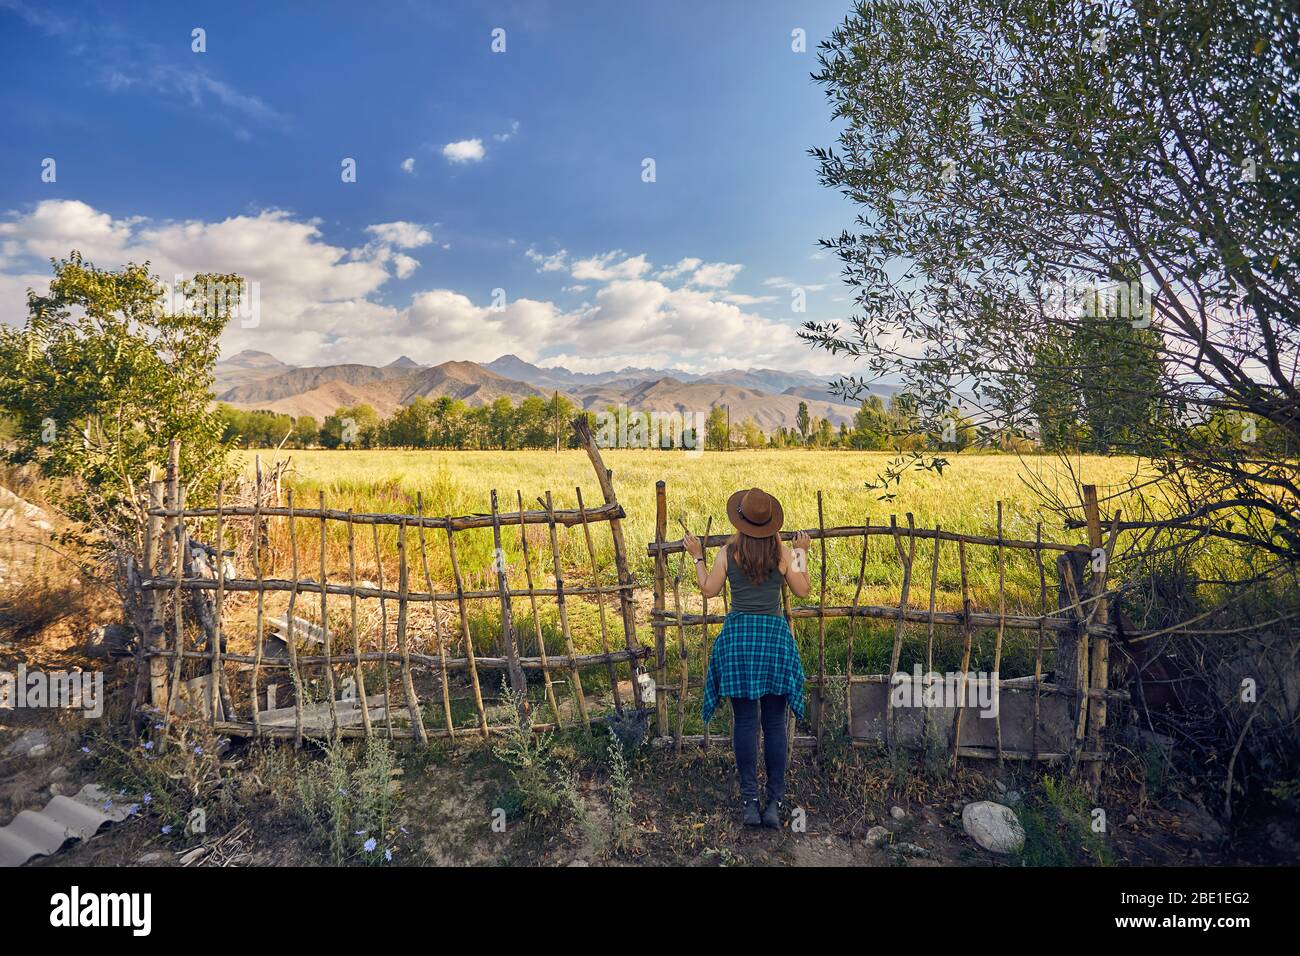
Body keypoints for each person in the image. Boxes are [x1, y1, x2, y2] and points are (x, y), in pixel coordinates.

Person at [684, 487, 810, 828]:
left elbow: (708, 589)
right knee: (773, 724)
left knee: (744, 722)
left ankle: (750, 803)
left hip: (739, 643)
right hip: (773, 641)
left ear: (740, 520)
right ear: (771, 524)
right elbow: (802, 590)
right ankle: (775, 803)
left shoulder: (728, 552)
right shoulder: (782, 552)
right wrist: (800, 552)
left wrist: (697, 556)